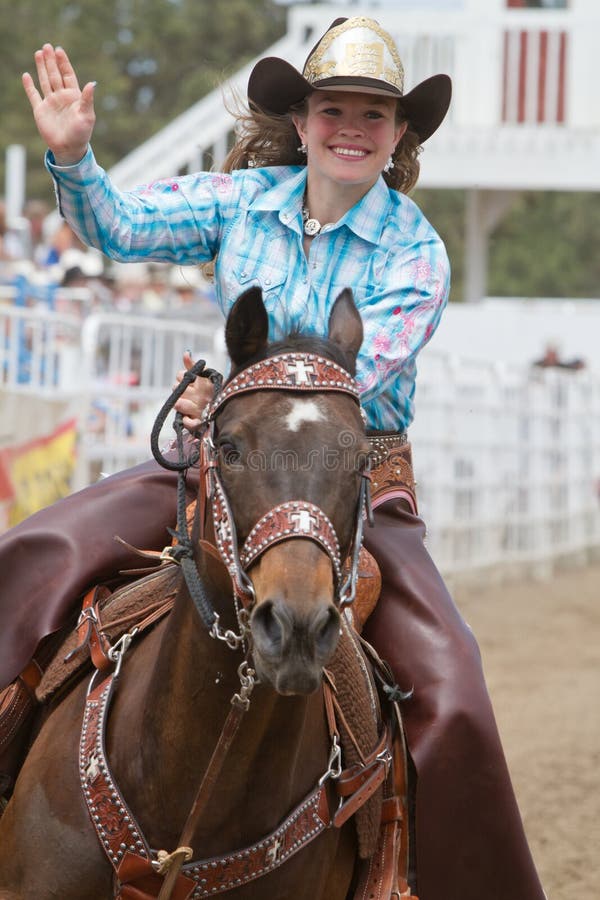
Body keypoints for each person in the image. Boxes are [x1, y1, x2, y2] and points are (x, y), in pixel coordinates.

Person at [0, 16, 546, 900]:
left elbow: (348, 382)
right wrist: (73, 157)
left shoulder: (416, 251)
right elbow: (119, 226)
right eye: (334, 109)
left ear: (399, 132)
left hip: (355, 476)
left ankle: (408, 867)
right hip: (232, 458)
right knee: (43, 553)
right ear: (301, 121)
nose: (351, 129)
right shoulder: (237, 201)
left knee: (454, 689)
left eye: (374, 114)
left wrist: (221, 394)